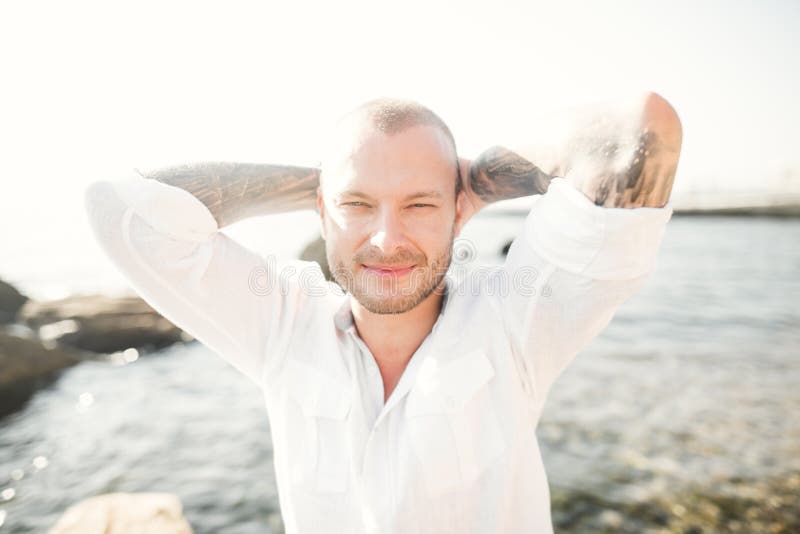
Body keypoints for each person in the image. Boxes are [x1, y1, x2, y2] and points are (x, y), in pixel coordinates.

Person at [83, 92, 682, 534]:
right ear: (321, 211)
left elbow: (640, 128)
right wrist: (323, 181)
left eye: (420, 204)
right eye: (357, 205)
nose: (385, 240)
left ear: (457, 209)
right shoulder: (283, 325)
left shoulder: (515, 325)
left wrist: (478, 179)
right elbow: (120, 210)